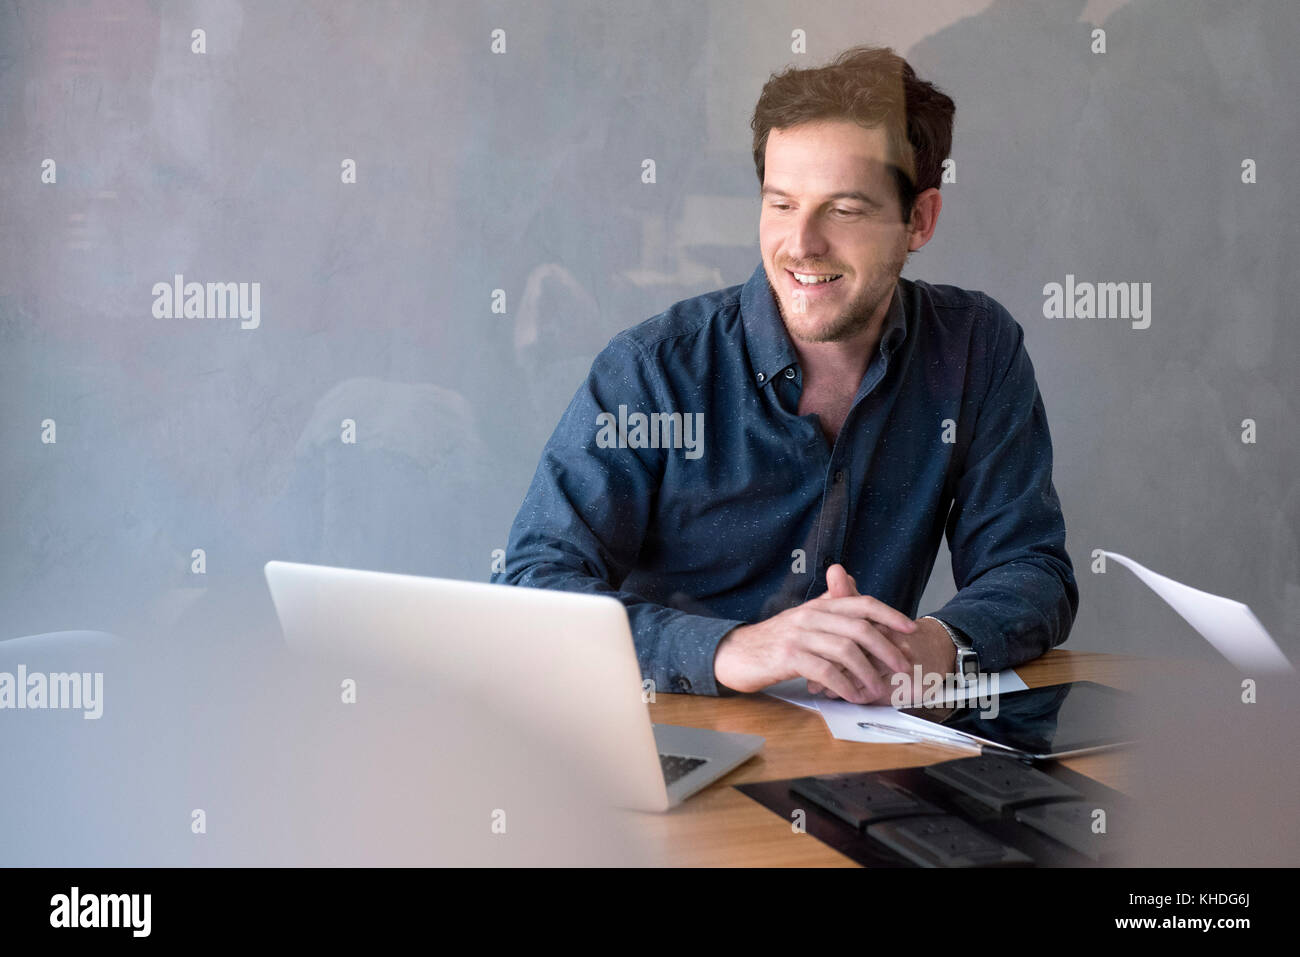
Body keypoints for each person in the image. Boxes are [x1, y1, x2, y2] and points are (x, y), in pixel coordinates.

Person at [493, 46, 1077, 705]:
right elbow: (533, 591)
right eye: (781, 204)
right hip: (669, 745)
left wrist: (934, 644)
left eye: (844, 210)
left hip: (862, 759)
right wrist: (734, 649)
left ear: (919, 219)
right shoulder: (652, 369)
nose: (801, 243)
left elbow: (1031, 570)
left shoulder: (976, 347)